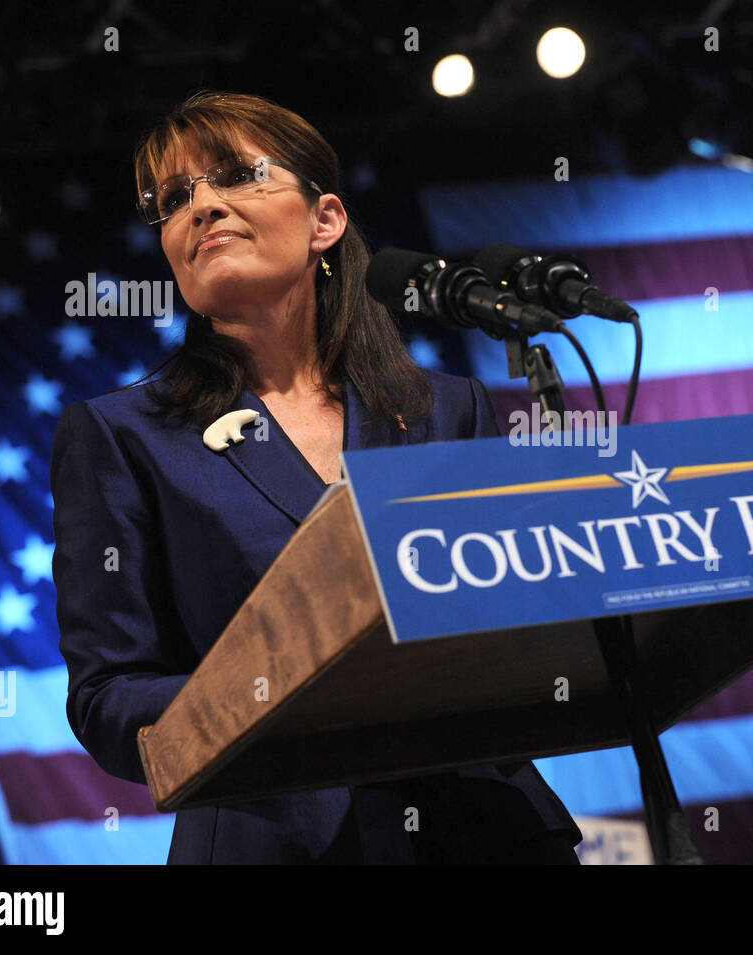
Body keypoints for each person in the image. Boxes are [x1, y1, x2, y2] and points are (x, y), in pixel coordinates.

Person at [51, 90, 582, 864]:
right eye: (173, 199)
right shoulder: (122, 435)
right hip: (280, 843)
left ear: (324, 221)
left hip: (487, 832)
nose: (200, 206)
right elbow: (108, 700)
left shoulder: (448, 410)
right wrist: (281, 682)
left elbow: (521, 625)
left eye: (235, 175)